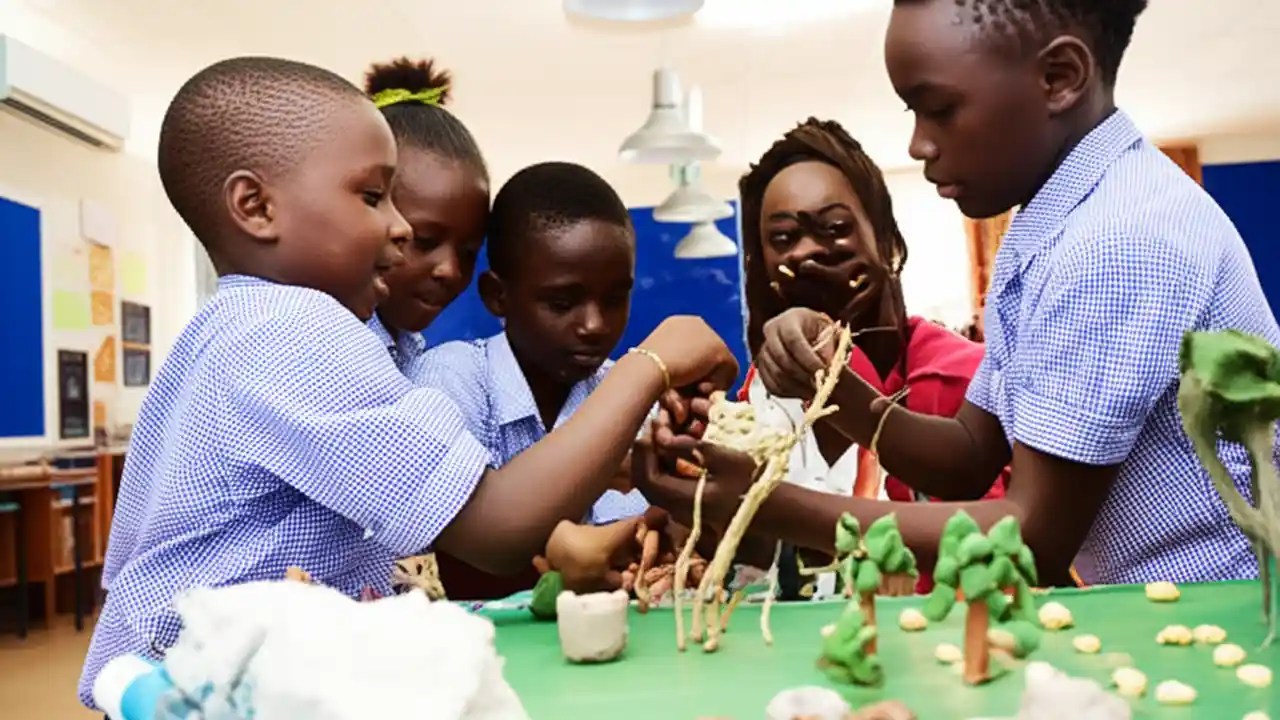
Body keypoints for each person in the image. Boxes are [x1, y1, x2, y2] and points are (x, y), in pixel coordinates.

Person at [79, 56, 736, 708]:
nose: (397, 227)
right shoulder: (288, 329)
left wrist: (617, 461)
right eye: (372, 197)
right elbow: (495, 527)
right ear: (256, 207)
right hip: (193, 694)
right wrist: (652, 364)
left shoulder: (290, 331)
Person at [639, 0, 1280, 589]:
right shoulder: (1048, 231)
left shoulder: (1116, 242)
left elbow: (1029, 537)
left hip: (1225, 607)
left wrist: (765, 505)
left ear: (1059, 77)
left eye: (939, 108)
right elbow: (971, 456)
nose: (918, 143)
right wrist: (831, 385)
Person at [734, 117, 1007, 594]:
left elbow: (1007, 551)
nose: (807, 253)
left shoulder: (960, 379)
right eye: (782, 238)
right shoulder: (763, 394)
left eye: (835, 227)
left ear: (885, 239)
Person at [409, 161, 649, 598]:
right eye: (562, 302)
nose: (594, 324)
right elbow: (463, 558)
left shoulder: (632, 395)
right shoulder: (452, 381)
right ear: (497, 296)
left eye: (615, 299)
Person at [362, 57, 489, 368]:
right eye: (425, 240)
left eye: (469, 252)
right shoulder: (335, 347)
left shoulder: (409, 350)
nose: (451, 270)